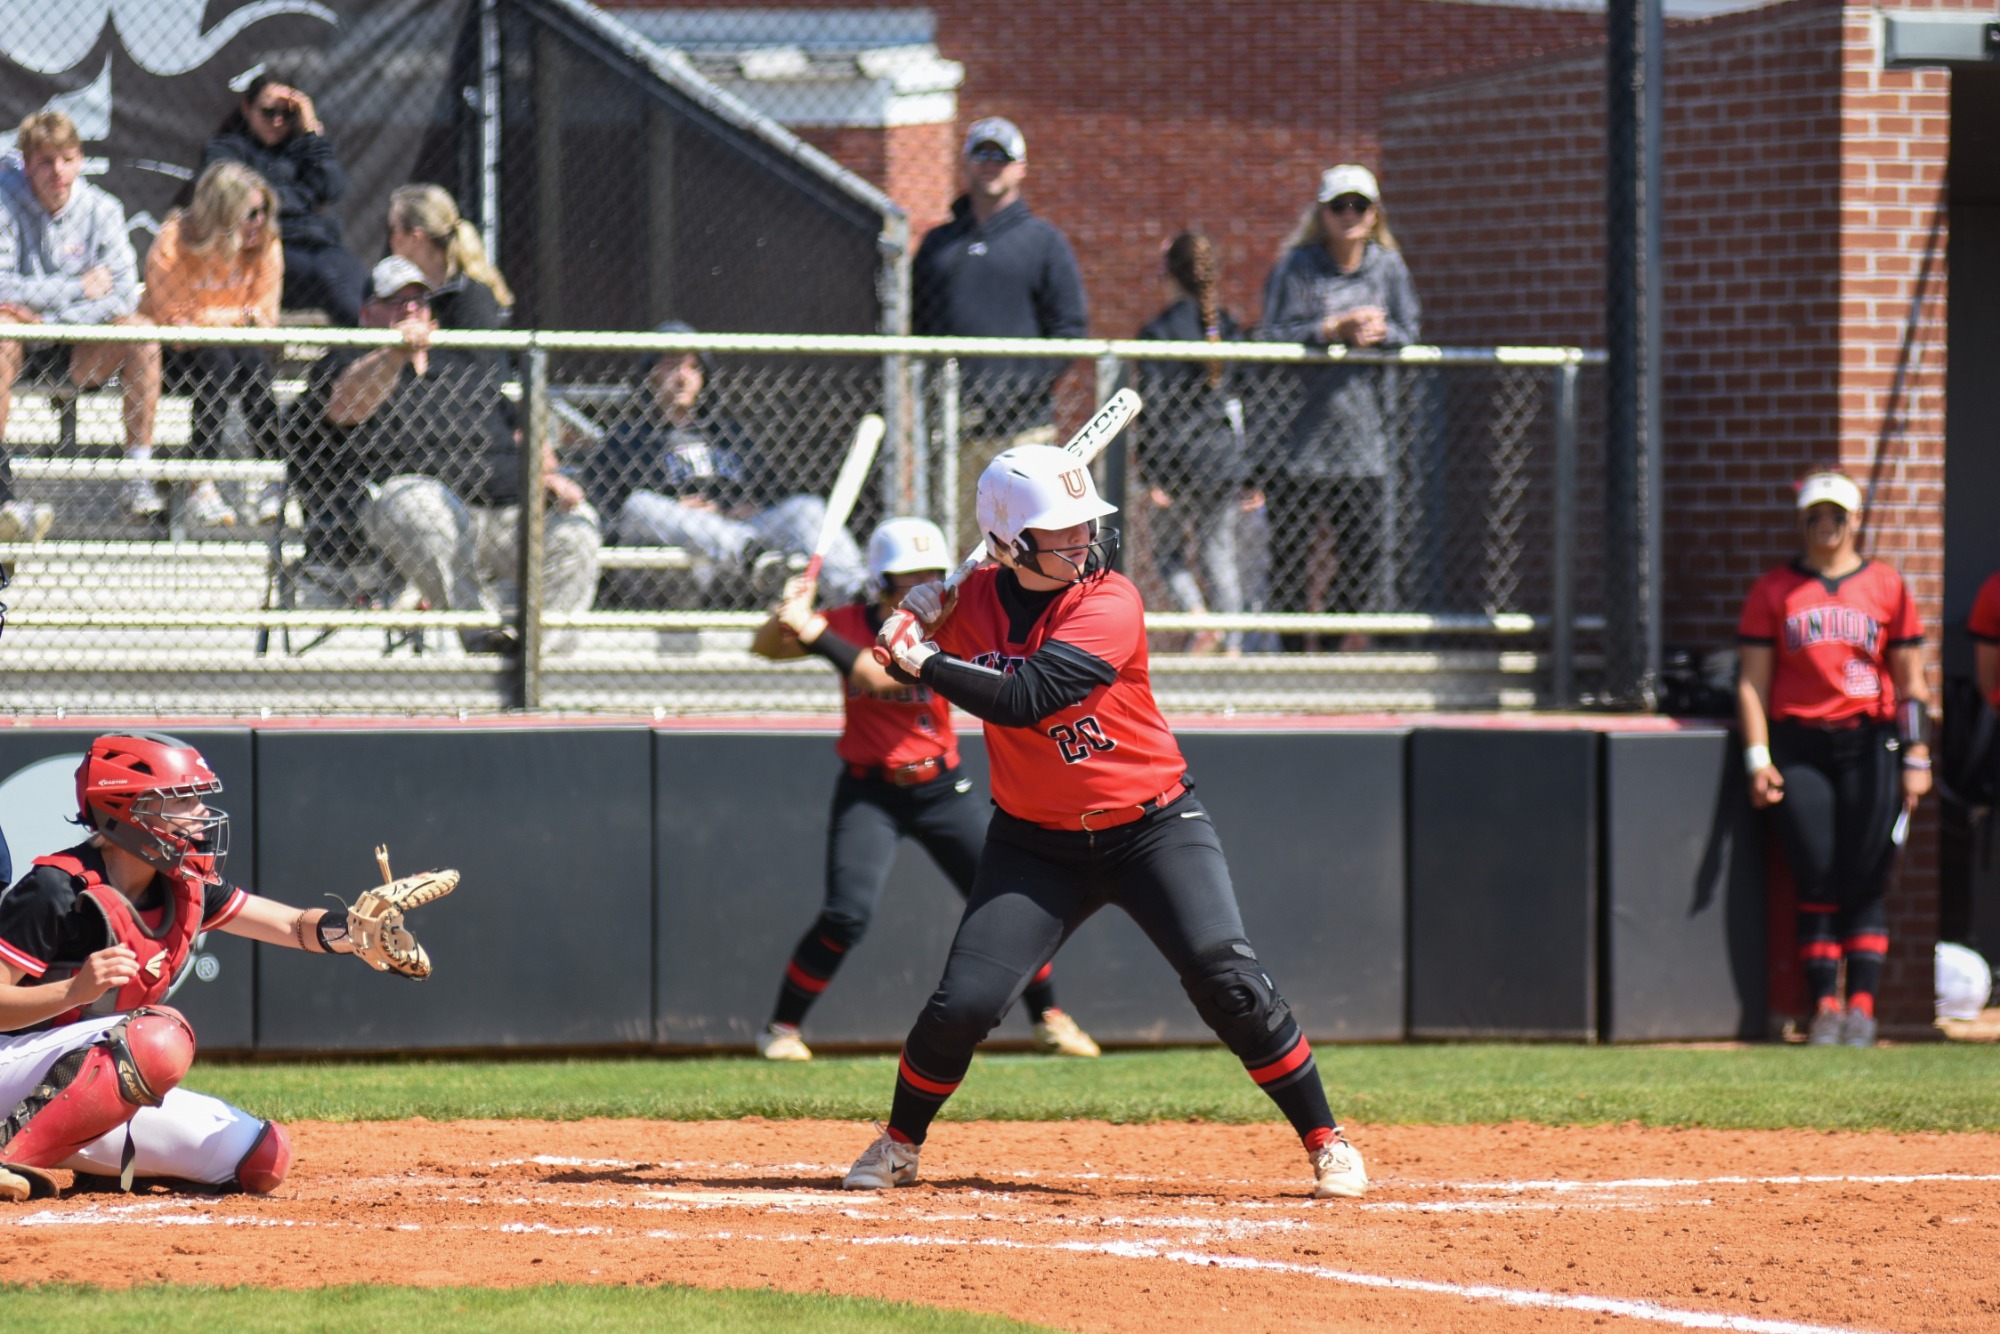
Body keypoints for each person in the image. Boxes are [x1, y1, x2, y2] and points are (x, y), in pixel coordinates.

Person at [848, 445, 1367, 1200]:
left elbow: (1026, 697)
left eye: (1084, 523)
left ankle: (1327, 1140)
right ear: (1009, 541)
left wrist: (923, 658)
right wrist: (908, 619)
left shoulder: (1110, 600)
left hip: (1152, 828)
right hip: (1034, 842)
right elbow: (877, 664)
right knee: (963, 1005)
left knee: (1229, 982)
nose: (1082, 539)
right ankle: (898, 1144)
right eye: (1060, 530)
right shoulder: (971, 602)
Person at [0, 732, 447, 1200]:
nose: (200, 814)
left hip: (78, 1092)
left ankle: (86, 1159)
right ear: (128, 809)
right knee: (157, 1036)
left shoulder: (182, 883)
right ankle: (9, 1152)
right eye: (182, 800)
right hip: (12, 1071)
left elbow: (290, 925)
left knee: (261, 1157)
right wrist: (72, 992)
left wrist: (357, 933)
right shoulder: (56, 889)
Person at [747, 517, 1100, 1062]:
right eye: (906, 576)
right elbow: (767, 649)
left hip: (941, 787)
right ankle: (781, 1029)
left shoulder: (942, 623)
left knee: (1005, 904)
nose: (921, 585)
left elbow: (875, 674)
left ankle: (1049, 1018)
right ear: (880, 580)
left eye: (930, 573)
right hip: (870, 791)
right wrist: (788, 613)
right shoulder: (846, 621)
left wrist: (813, 631)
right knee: (846, 913)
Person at [1736, 471, 1931, 1047]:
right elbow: (1752, 683)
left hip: (1869, 741)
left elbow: (1912, 682)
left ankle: (1862, 1008)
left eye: (1837, 514)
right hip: (1800, 742)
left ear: (1855, 520)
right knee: (1815, 870)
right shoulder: (1775, 589)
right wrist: (1758, 757)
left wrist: (1918, 754)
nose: (1827, 525)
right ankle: (1824, 1005)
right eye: (1816, 514)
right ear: (1801, 520)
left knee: (1865, 873)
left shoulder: (1886, 585)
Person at [318, 256, 598, 654]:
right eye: (395, 301)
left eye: (419, 301)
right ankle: (483, 638)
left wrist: (546, 474)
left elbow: (519, 428)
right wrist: (394, 352)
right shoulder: (348, 359)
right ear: (366, 315)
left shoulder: (462, 365)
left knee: (578, 526)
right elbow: (344, 408)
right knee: (418, 504)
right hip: (407, 521)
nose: (410, 309)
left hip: (500, 513)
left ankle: (537, 662)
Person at [578, 323, 866, 606]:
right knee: (641, 504)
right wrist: (677, 511)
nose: (683, 377)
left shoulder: (728, 434)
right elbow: (613, 512)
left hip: (736, 541)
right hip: (672, 558)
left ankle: (859, 595)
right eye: (672, 366)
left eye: (693, 368)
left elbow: (773, 491)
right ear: (651, 375)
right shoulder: (625, 438)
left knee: (806, 508)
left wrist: (751, 507)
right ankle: (752, 555)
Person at [1257, 164, 1421, 650]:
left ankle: (1327, 647)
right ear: (1322, 214)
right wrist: (1330, 330)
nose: (1349, 215)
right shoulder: (1296, 266)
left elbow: (1411, 333)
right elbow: (1270, 335)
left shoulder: (1388, 267)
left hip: (1364, 441)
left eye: (1359, 206)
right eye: (1338, 206)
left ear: (1374, 215)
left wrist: (1380, 334)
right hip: (1296, 441)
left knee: (1362, 554)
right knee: (1291, 555)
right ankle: (1291, 655)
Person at [910, 117, 1087, 547]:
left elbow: (1069, 330)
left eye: (1001, 156)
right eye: (982, 154)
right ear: (966, 163)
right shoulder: (938, 245)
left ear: (1021, 168)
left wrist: (1014, 393)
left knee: (1024, 542)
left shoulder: (1044, 243)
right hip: (953, 430)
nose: (991, 164)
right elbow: (917, 325)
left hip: (1022, 430)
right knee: (963, 546)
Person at [0, 110, 161, 537]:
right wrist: (76, 287)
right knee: (1, 333)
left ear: (81, 159)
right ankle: (2, 493)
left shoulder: (104, 209)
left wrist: (51, 317)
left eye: (67, 159)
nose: (58, 171)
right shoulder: (3, 202)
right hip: (16, 343)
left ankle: (137, 479)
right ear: (27, 163)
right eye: (45, 161)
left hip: (79, 347)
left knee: (141, 332)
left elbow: (122, 293)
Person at [139, 161, 283, 528]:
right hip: (172, 358)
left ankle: (272, 477)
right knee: (218, 358)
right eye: (251, 213)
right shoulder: (174, 240)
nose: (260, 221)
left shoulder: (265, 244)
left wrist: (211, 317)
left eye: (265, 211)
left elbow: (265, 319)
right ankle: (199, 482)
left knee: (250, 359)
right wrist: (238, 316)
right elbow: (175, 323)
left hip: (236, 353)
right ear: (222, 215)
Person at [1137, 233, 1252, 655]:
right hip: (1221, 458)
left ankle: (1200, 620)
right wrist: (1251, 472)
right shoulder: (1227, 329)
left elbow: (1151, 408)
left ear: (1168, 274)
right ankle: (1233, 647)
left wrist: (1152, 473)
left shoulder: (1159, 332)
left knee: (1168, 554)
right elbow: (1249, 399)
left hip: (1176, 462)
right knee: (1219, 556)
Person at [201, 73, 367, 326]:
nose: (277, 121)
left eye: (288, 114)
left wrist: (311, 131)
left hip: (317, 246)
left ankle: (371, 338)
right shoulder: (227, 149)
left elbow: (333, 188)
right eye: (268, 112)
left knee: (351, 271)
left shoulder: (301, 150)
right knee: (328, 275)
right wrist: (301, 198)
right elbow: (233, 197)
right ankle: (369, 338)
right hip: (263, 249)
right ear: (247, 108)